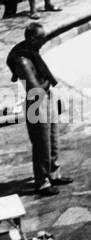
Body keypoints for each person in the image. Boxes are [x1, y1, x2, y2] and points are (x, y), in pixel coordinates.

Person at [7, 24, 71, 196]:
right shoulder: (23, 60)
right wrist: (50, 82)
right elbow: (35, 88)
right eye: (41, 38)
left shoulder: (32, 53)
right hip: (36, 102)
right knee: (41, 143)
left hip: (46, 97)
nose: (44, 42)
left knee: (53, 138)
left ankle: (54, 173)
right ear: (32, 38)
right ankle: (42, 182)